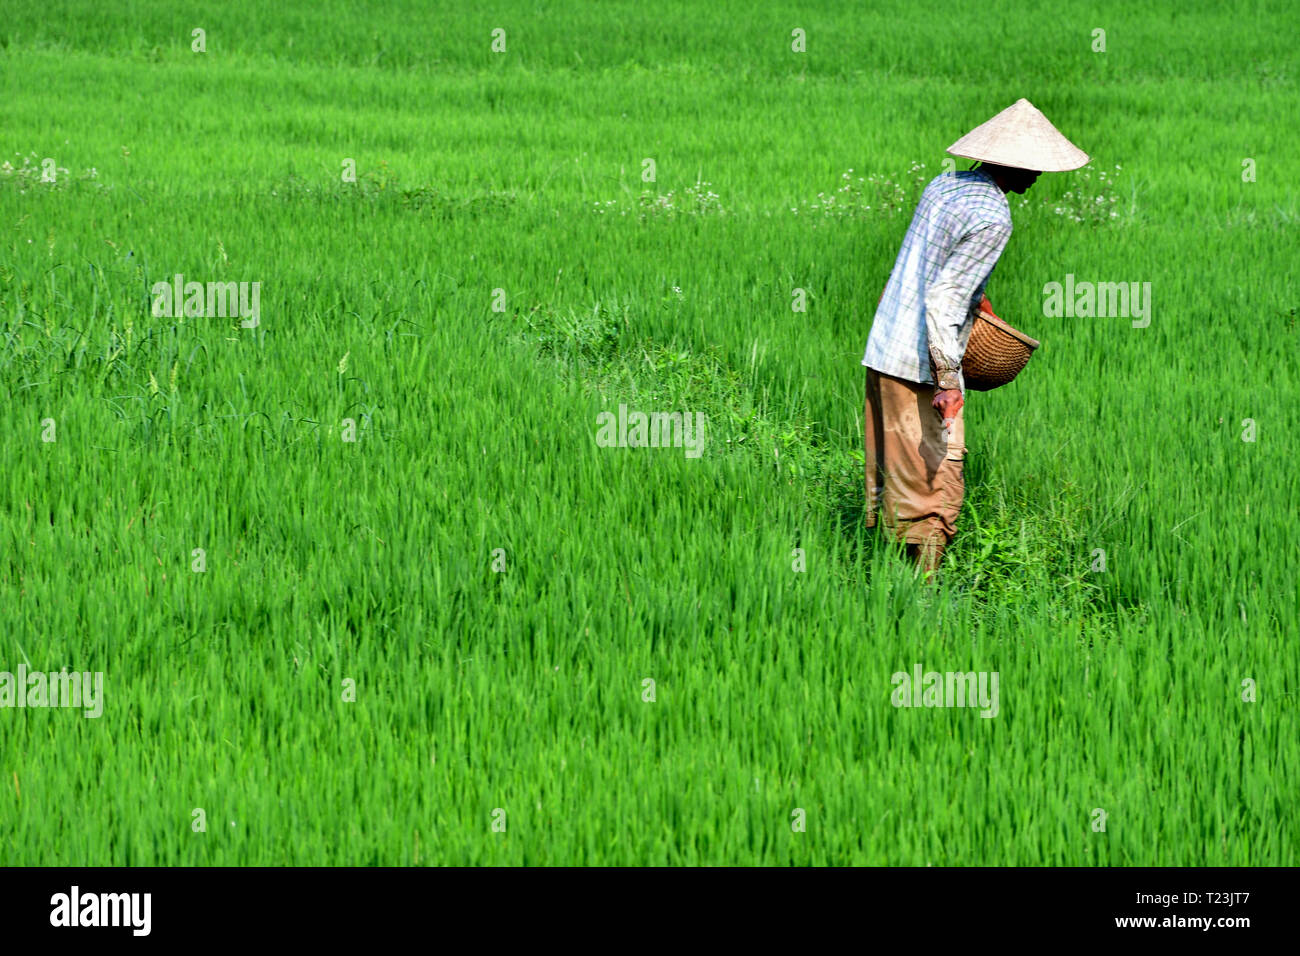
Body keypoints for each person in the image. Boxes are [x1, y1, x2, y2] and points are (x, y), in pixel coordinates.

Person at [861, 99, 1089, 574]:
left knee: (901, 475)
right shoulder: (994, 217)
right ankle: (922, 598)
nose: (1037, 176)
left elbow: (925, 264)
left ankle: (889, 577)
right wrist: (947, 380)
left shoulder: (945, 184)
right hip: (919, 365)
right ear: (1010, 162)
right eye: (1033, 166)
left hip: (885, 345)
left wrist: (978, 300)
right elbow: (943, 299)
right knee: (936, 481)